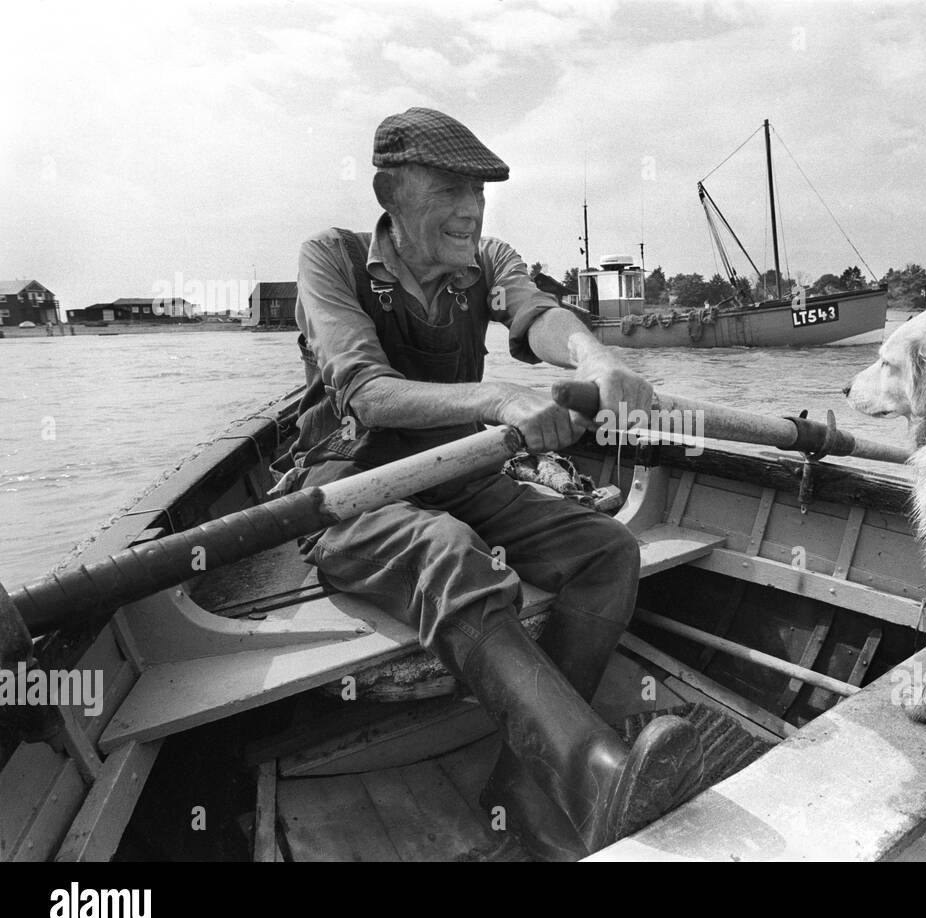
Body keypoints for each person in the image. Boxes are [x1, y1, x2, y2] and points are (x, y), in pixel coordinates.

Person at [272, 107, 702, 860]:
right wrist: (497, 401)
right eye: (448, 188)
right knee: (448, 548)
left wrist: (594, 363)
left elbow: (537, 314)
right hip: (350, 489)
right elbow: (368, 392)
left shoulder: (487, 259)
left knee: (606, 552)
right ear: (390, 193)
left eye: (480, 191)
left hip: (460, 468)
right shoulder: (330, 259)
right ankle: (592, 774)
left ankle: (525, 785)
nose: (471, 209)